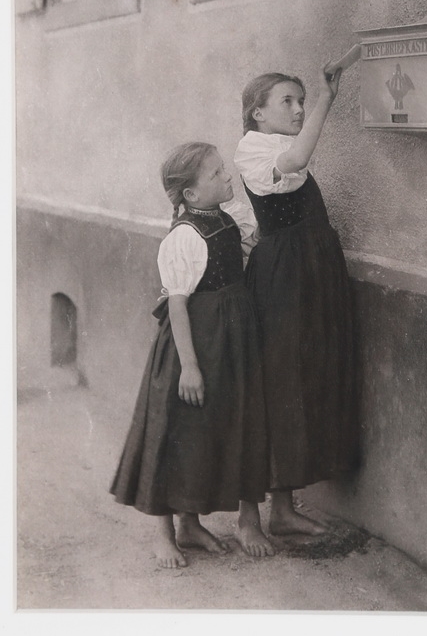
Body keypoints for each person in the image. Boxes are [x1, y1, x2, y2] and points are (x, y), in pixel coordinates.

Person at [110, 142, 274, 567]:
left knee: (232, 422)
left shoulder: (225, 218)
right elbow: (178, 304)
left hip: (233, 340)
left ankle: (199, 523)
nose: (228, 178)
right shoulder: (184, 236)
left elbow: (241, 251)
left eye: (224, 171)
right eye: (218, 175)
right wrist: (190, 368)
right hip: (194, 346)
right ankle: (164, 533)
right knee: (177, 432)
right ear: (191, 195)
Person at [234, 68, 359, 536]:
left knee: (303, 378)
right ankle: (251, 514)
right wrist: (328, 99)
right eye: (288, 101)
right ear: (257, 113)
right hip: (284, 274)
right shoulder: (254, 148)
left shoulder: (276, 148)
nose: (299, 109)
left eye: (302, 101)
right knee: (277, 382)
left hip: (312, 270)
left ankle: (283, 509)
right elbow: (298, 156)